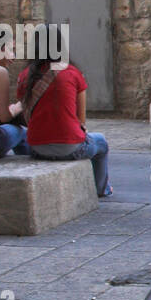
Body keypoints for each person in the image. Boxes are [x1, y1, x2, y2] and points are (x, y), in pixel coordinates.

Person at [17, 50, 112, 197]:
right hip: (70, 148)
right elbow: (81, 120)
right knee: (101, 142)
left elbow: (25, 114)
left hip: (36, 148)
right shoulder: (72, 73)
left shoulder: (24, 76)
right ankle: (102, 189)